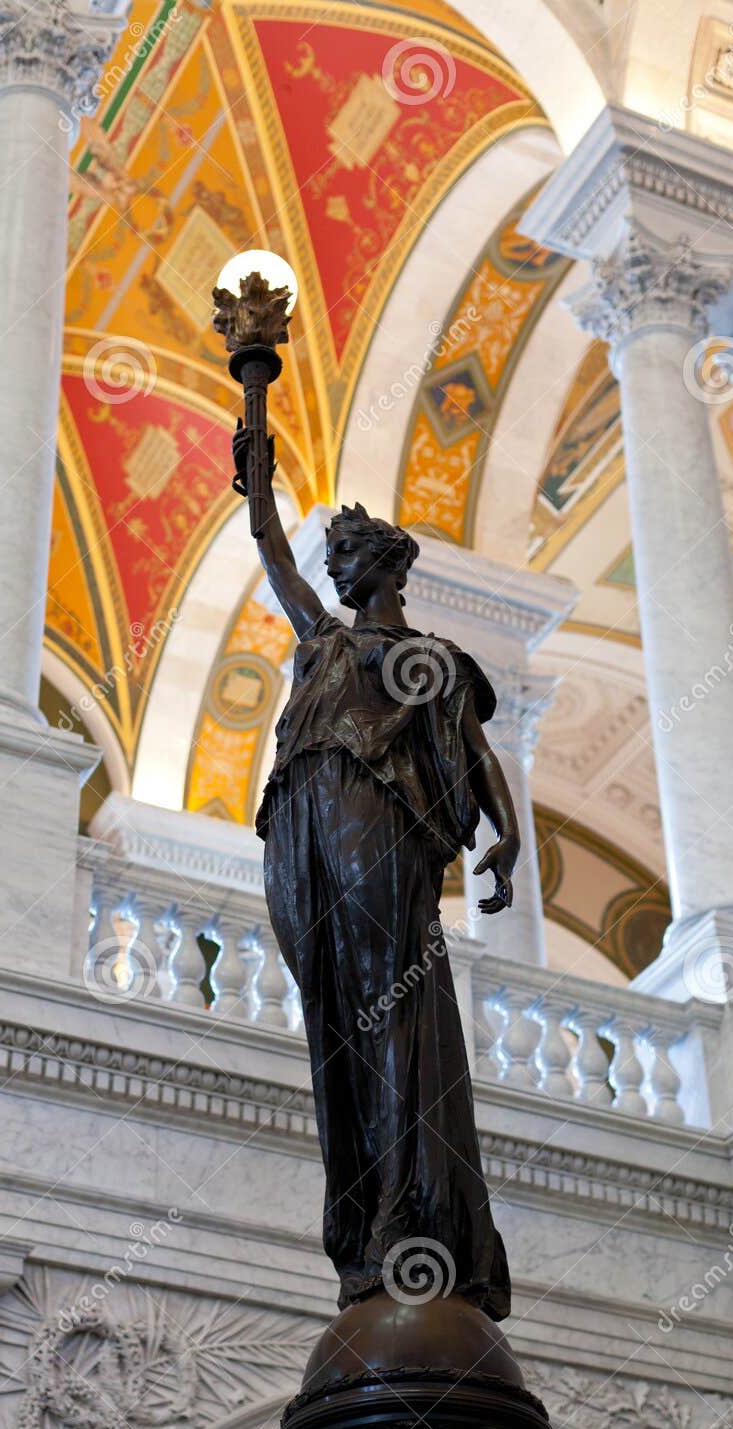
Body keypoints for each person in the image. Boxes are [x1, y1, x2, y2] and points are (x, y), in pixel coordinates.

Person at [232, 424, 519, 1317]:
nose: (335, 569)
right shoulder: (320, 640)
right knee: (335, 1017)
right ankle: (362, 1221)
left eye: (349, 554)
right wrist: (257, 487)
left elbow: (472, 754)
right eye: (334, 555)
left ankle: (410, 1213)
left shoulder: (418, 658)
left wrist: (505, 837)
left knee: (383, 1002)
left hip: (374, 819)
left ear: (388, 567)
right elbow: (276, 560)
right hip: (301, 824)